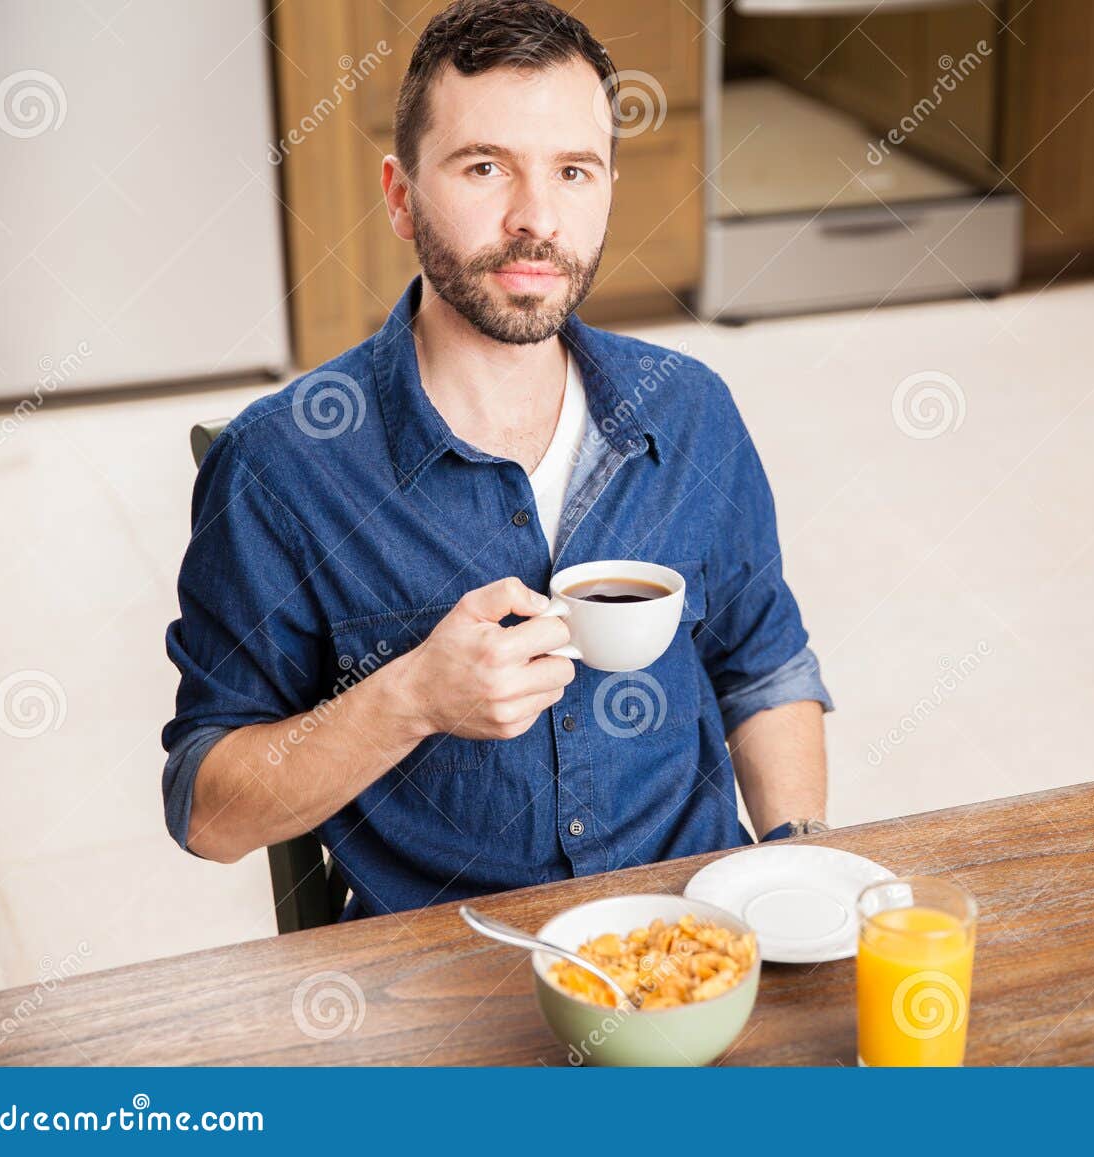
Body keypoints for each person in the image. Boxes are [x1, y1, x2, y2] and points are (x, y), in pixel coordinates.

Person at [161, 0, 831, 919]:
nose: (537, 219)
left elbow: (765, 668)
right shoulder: (281, 468)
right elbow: (209, 812)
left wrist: (796, 865)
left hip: (699, 935)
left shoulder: (691, 408)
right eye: (485, 167)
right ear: (400, 195)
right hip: (449, 980)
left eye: (573, 171)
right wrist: (412, 698)